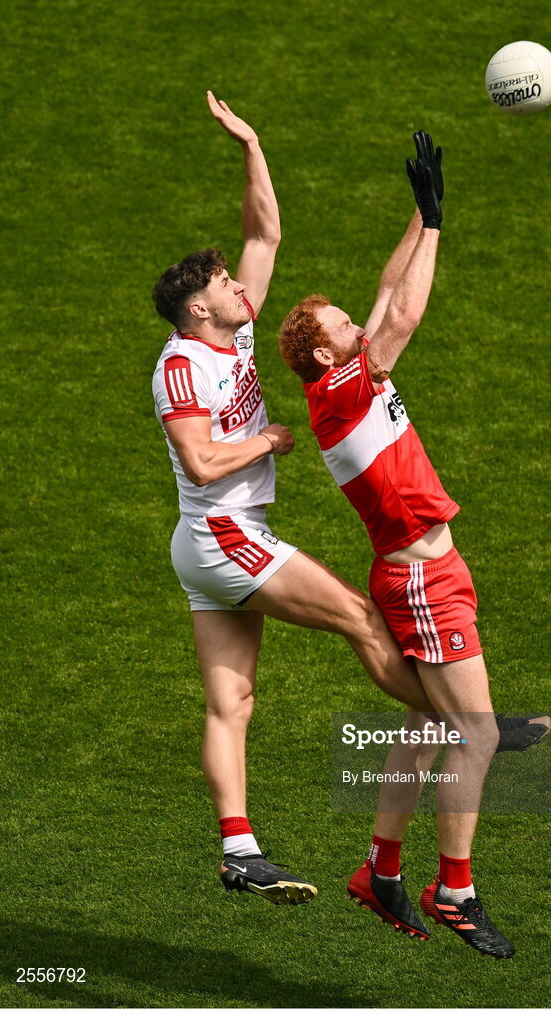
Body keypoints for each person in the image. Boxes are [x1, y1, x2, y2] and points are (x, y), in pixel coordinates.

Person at [151, 92, 441, 908]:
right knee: (356, 613)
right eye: (222, 284)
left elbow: (264, 230)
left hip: (208, 545)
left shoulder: (232, 332)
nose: (242, 286)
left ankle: (238, 852)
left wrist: (252, 142)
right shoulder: (181, 366)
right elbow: (203, 462)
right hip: (223, 533)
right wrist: (268, 442)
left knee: (232, 701)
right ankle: (458, 714)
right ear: (197, 306)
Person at [279, 132, 550, 959]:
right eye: (344, 327)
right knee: (476, 735)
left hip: (431, 570)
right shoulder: (341, 393)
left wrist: (420, 214)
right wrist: (435, 227)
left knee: (430, 724)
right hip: (424, 583)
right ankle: (455, 890)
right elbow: (404, 312)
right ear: (325, 353)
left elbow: (385, 293)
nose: (360, 326)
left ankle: (381, 869)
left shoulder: (344, 379)